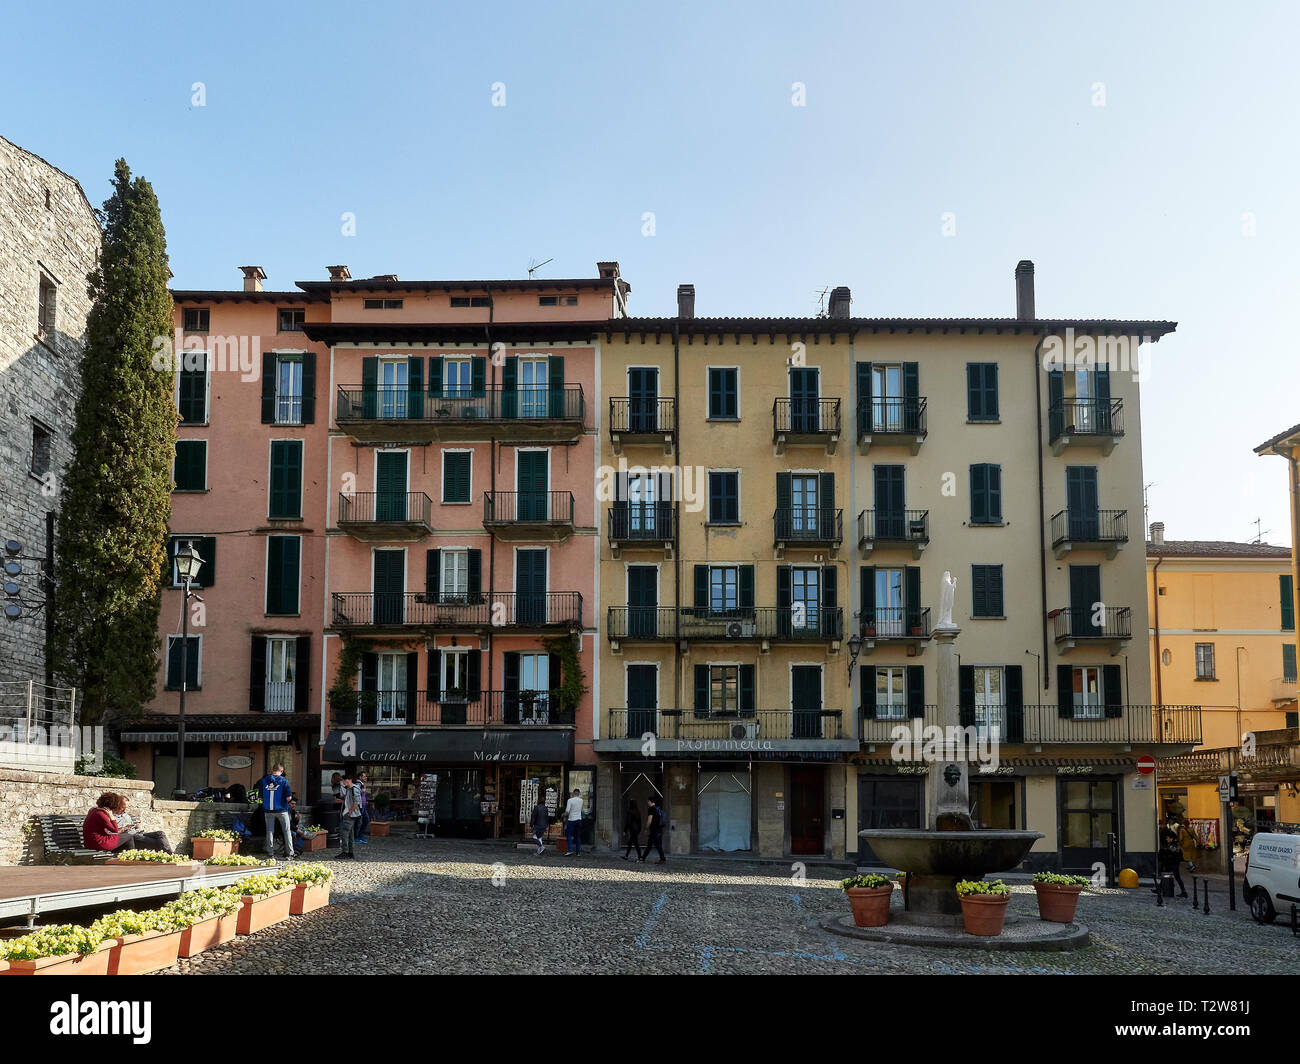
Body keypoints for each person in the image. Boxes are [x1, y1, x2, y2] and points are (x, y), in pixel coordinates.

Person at [83, 793, 174, 854]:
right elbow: (114, 830)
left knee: (160, 834)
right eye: (122, 807)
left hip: (136, 833)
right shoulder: (102, 814)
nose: (124, 809)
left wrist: (136, 826)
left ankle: (169, 854)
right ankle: (170, 855)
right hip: (103, 842)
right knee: (155, 842)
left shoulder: (96, 811)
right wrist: (112, 817)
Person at [255, 763, 295, 861]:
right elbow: (288, 797)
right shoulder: (284, 781)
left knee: (269, 831)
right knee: (286, 831)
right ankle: (290, 853)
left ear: (272, 770)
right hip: (281, 809)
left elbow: (260, 797)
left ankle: (270, 853)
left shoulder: (263, 781)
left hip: (268, 810)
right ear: (281, 771)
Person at [336, 772, 362, 859]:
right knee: (350, 833)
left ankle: (345, 852)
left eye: (344, 780)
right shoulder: (349, 788)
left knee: (344, 833)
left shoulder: (354, 789)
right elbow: (348, 799)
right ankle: (350, 852)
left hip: (350, 814)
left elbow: (356, 802)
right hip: (349, 813)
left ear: (349, 780)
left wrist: (350, 812)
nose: (343, 782)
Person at [1158, 822, 1187, 897]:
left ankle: (1184, 891)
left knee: (1177, 877)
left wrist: (1167, 851)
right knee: (1166, 875)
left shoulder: (1174, 845)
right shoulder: (1171, 844)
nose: (1166, 839)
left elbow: (1174, 852)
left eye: (1168, 838)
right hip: (1171, 863)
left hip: (1174, 863)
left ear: (1171, 838)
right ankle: (1159, 889)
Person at [639, 796, 666, 864]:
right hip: (658, 829)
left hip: (654, 830)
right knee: (650, 845)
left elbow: (649, 820)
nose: (647, 802)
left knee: (657, 845)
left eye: (648, 801)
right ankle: (643, 858)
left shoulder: (651, 809)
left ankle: (662, 859)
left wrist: (646, 828)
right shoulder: (657, 809)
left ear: (650, 802)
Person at [563, 788, 584, 856]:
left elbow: (567, 811)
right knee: (578, 836)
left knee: (569, 835)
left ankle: (570, 850)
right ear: (578, 793)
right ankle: (578, 852)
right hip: (579, 819)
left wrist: (563, 815)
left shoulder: (570, 800)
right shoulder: (581, 800)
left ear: (573, 793)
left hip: (571, 820)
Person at [354, 771, 371, 844]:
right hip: (360, 806)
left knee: (365, 820)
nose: (366, 777)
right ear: (360, 777)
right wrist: (362, 791)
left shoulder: (361, 784)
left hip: (363, 806)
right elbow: (355, 793)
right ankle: (356, 837)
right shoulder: (358, 784)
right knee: (359, 822)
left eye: (365, 776)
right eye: (364, 776)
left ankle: (360, 835)